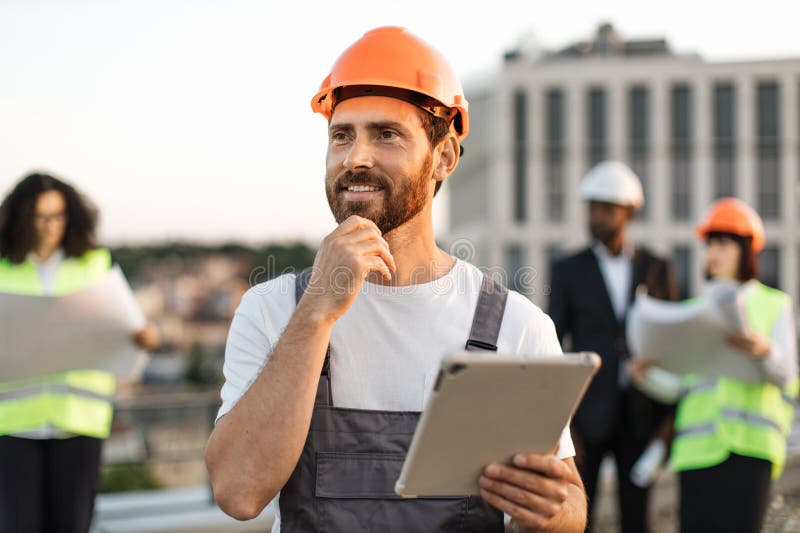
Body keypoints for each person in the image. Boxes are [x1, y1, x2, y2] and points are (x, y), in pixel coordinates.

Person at [206, 27, 587, 532]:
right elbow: (237, 491)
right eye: (341, 135)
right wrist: (317, 310)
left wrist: (553, 512)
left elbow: (572, 510)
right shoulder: (273, 310)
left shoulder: (516, 327)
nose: (355, 157)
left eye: (385, 134)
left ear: (445, 158)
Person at [0, 172, 160, 533]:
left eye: (58, 216)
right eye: (40, 217)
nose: (49, 226)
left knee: (73, 525)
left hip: (80, 420)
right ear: (21, 217)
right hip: (12, 425)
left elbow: (122, 326)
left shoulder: (94, 264)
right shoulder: (3, 268)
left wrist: (143, 337)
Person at [629, 198, 798, 533]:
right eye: (710, 245)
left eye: (723, 244)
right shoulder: (695, 309)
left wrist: (763, 351)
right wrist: (646, 376)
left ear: (746, 250)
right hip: (695, 453)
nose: (714, 254)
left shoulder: (774, 305)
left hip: (751, 449)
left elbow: (788, 377)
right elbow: (682, 385)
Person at [548, 161, 677, 533]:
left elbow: (670, 343)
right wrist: (564, 424)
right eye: (592, 207)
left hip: (641, 412)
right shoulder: (568, 269)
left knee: (639, 517)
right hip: (587, 416)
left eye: (606, 208)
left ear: (630, 212)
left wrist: (665, 425)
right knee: (580, 515)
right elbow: (556, 344)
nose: (596, 216)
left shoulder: (657, 267)